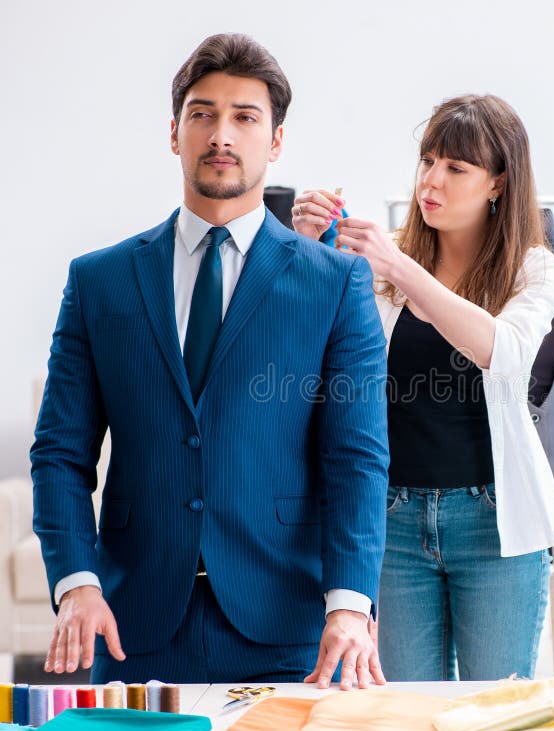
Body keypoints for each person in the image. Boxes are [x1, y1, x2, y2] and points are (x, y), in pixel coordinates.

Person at [30, 33, 389, 689]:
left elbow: (356, 459)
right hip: (131, 621)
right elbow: (59, 452)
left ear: (276, 140)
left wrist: (349, 604)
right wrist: (76, 584)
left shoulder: (336, 284)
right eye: (203, 113)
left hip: (287, 626)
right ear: (175, 133)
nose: (221, 134)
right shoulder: (100, 281)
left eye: (245, 117)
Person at [292, 94, 554, 680]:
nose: (431, 181)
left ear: (497, 183)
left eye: (456, 168)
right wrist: (307, 249)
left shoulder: (532, 267)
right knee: (403, 715)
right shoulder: (385, 259)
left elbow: (503, 351)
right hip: (392, 521)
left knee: (493, 714)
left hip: (495, 523)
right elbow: (310, 349)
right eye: (427, 160)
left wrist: (398, 268)